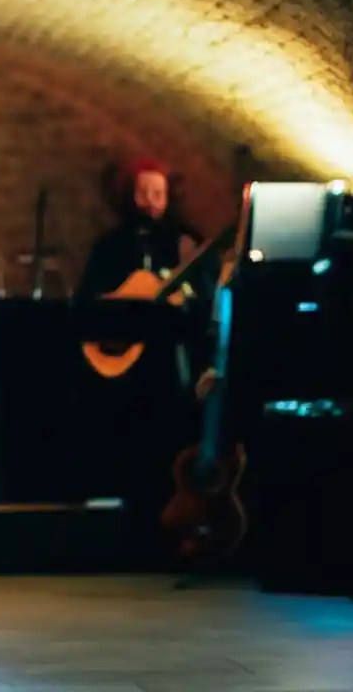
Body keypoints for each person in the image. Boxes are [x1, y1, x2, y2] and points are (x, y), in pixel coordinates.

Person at [74, 158, 217, 564]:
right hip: (126, 379)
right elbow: (88, 303)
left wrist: (191, 291)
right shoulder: (110, 245)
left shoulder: (185, 241)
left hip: (171, 370)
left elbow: (204, 301)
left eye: (158, 193)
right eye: (143, 193)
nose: (150, 201)